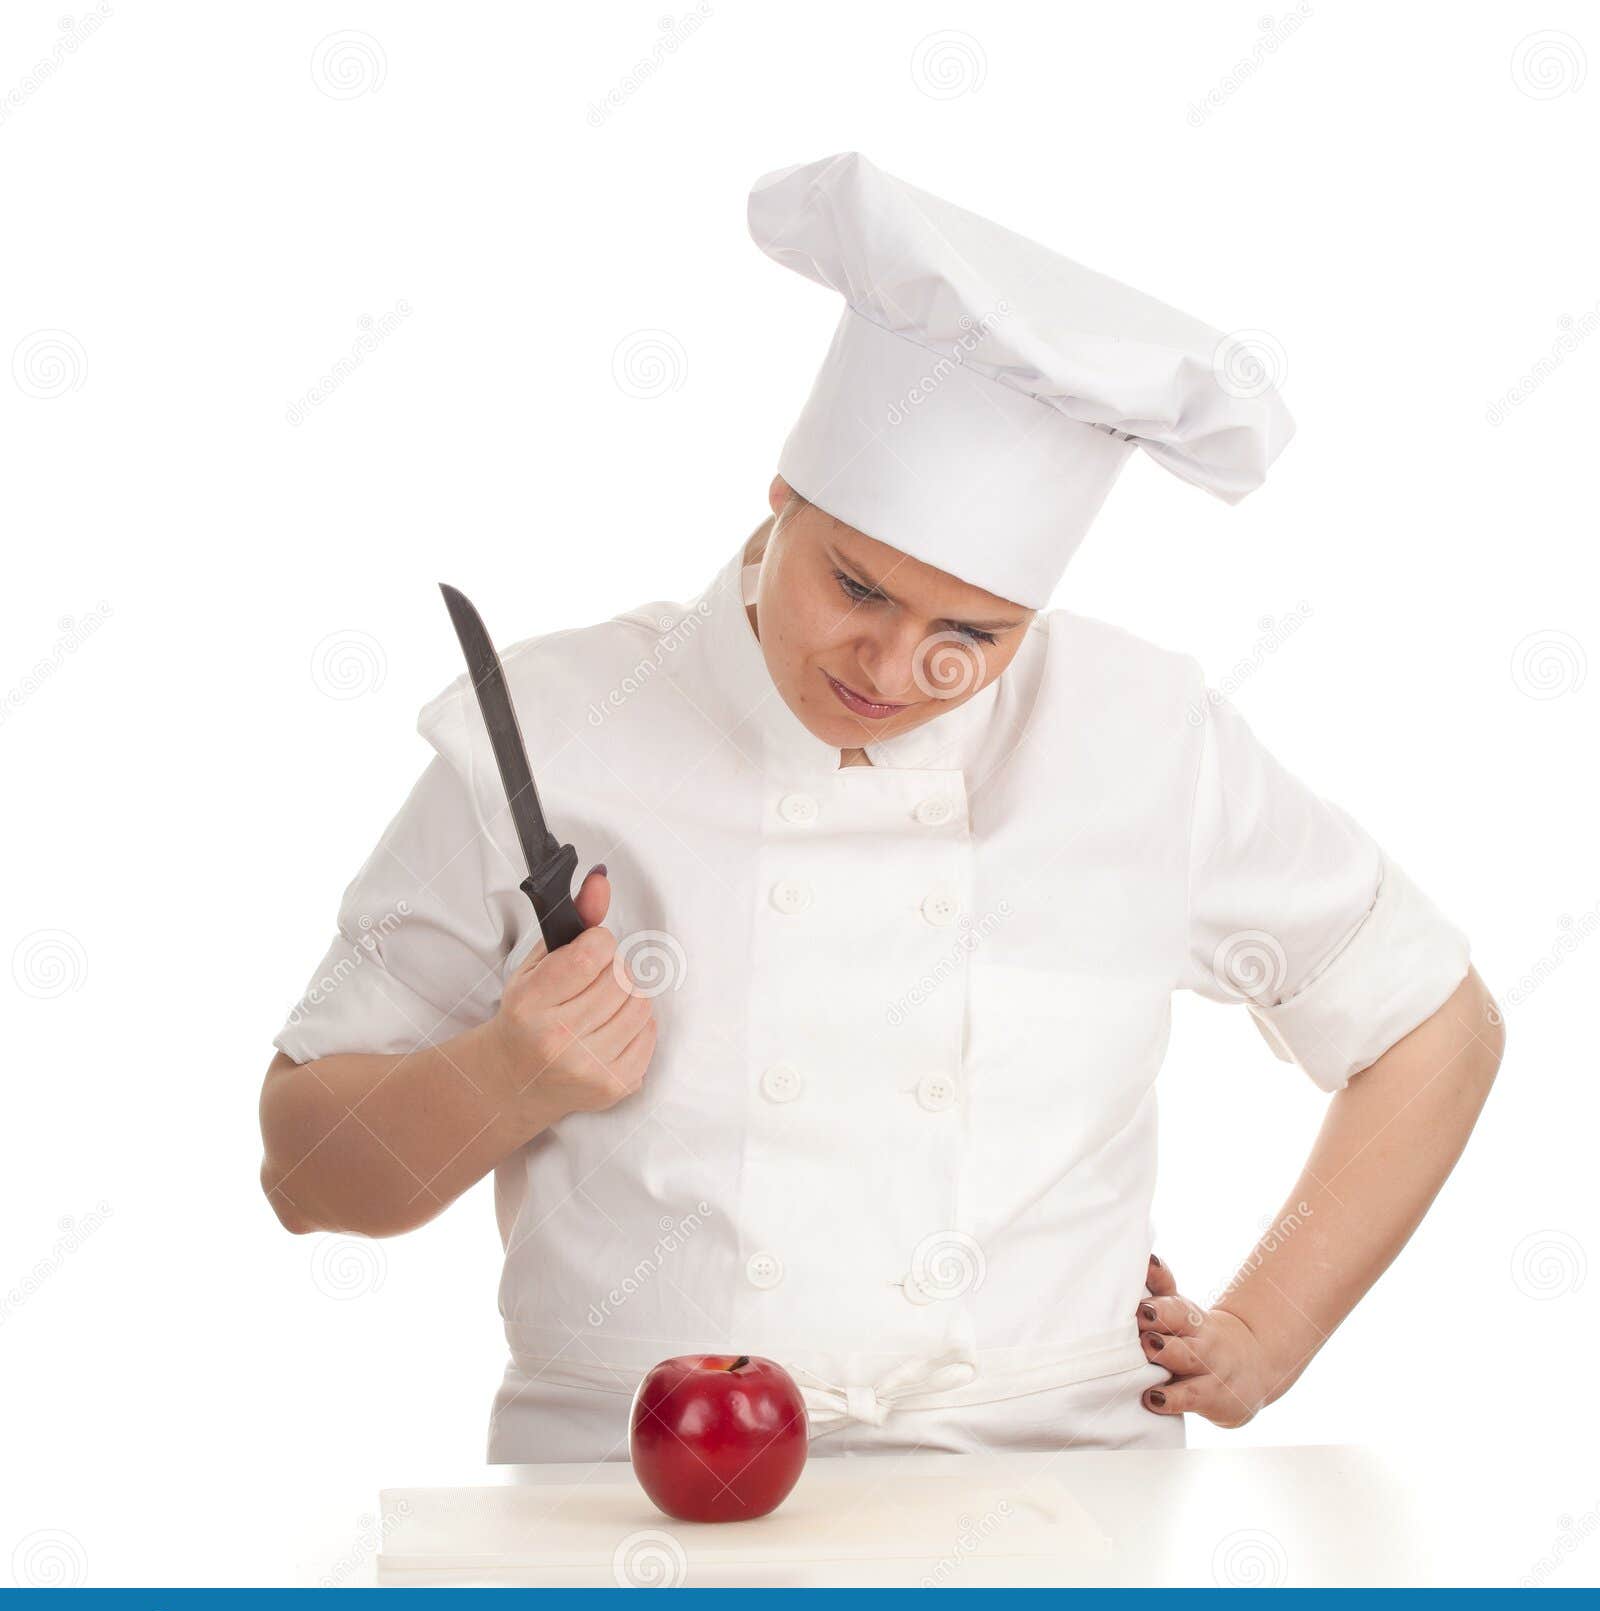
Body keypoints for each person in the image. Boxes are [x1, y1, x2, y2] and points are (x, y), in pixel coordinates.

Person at [259, 152, 1502, 1464]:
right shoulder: (555, 729)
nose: (895, 671)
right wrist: (500, 1074)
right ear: (784, 497)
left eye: (972, 631)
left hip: (1059, 1500)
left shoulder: (1144, 735)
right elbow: (305, 1172)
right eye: (856, 589)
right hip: (623, 1495)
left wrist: (1273, 1324)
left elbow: (1433, 1022)